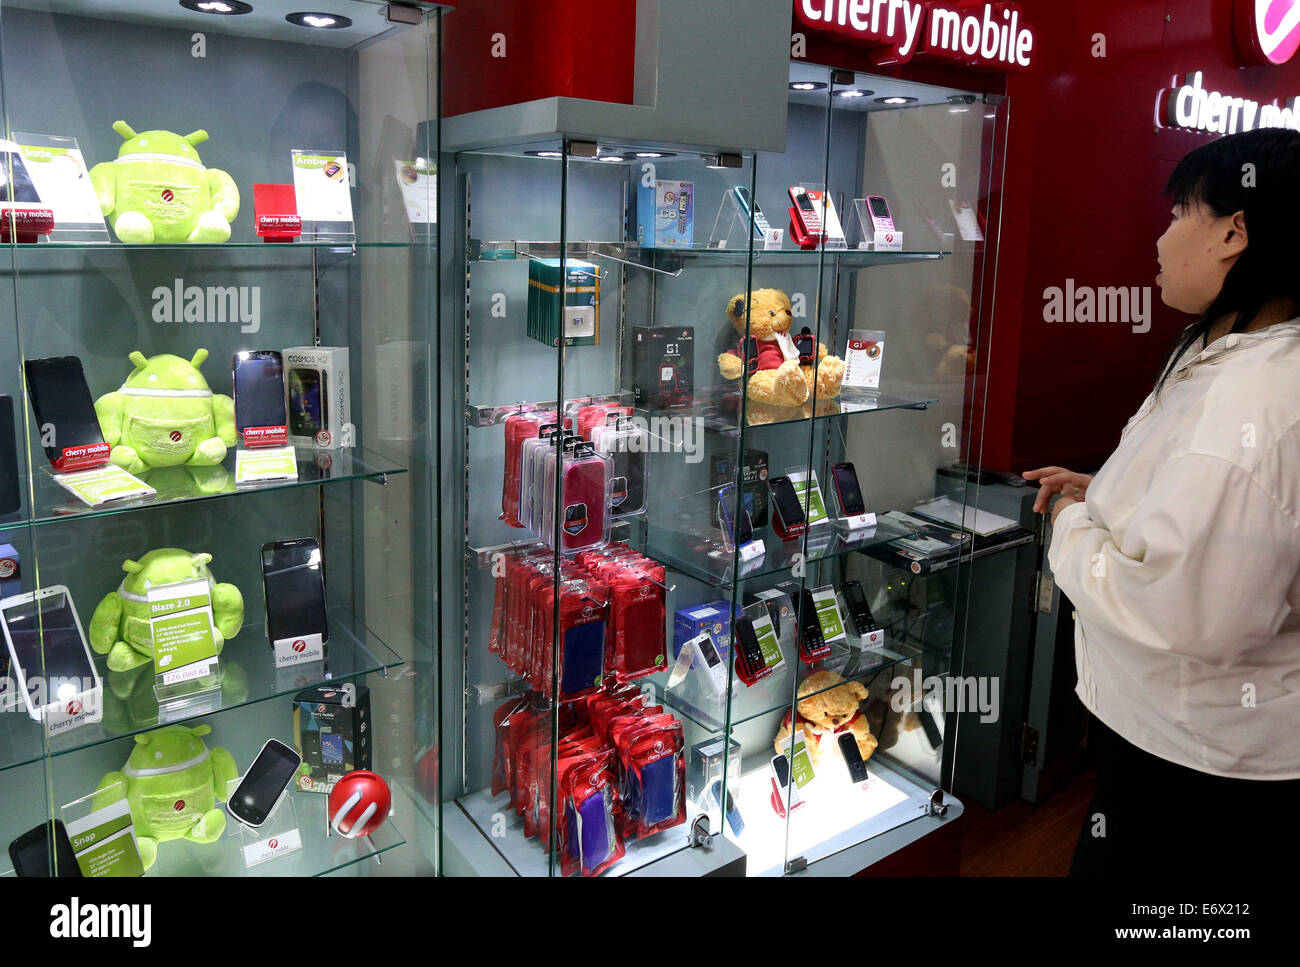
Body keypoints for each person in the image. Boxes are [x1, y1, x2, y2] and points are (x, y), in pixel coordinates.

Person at [1023, 127, 1300, 876]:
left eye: (1182, 211)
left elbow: (1184, 609)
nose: (1161, 235)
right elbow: (1203, 511)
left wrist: (1075, 523)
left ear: (1233, 232)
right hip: (1185, 751)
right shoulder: (1233, 353)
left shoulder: (1249, 408)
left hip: (1196, 773)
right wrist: (1110, 492)